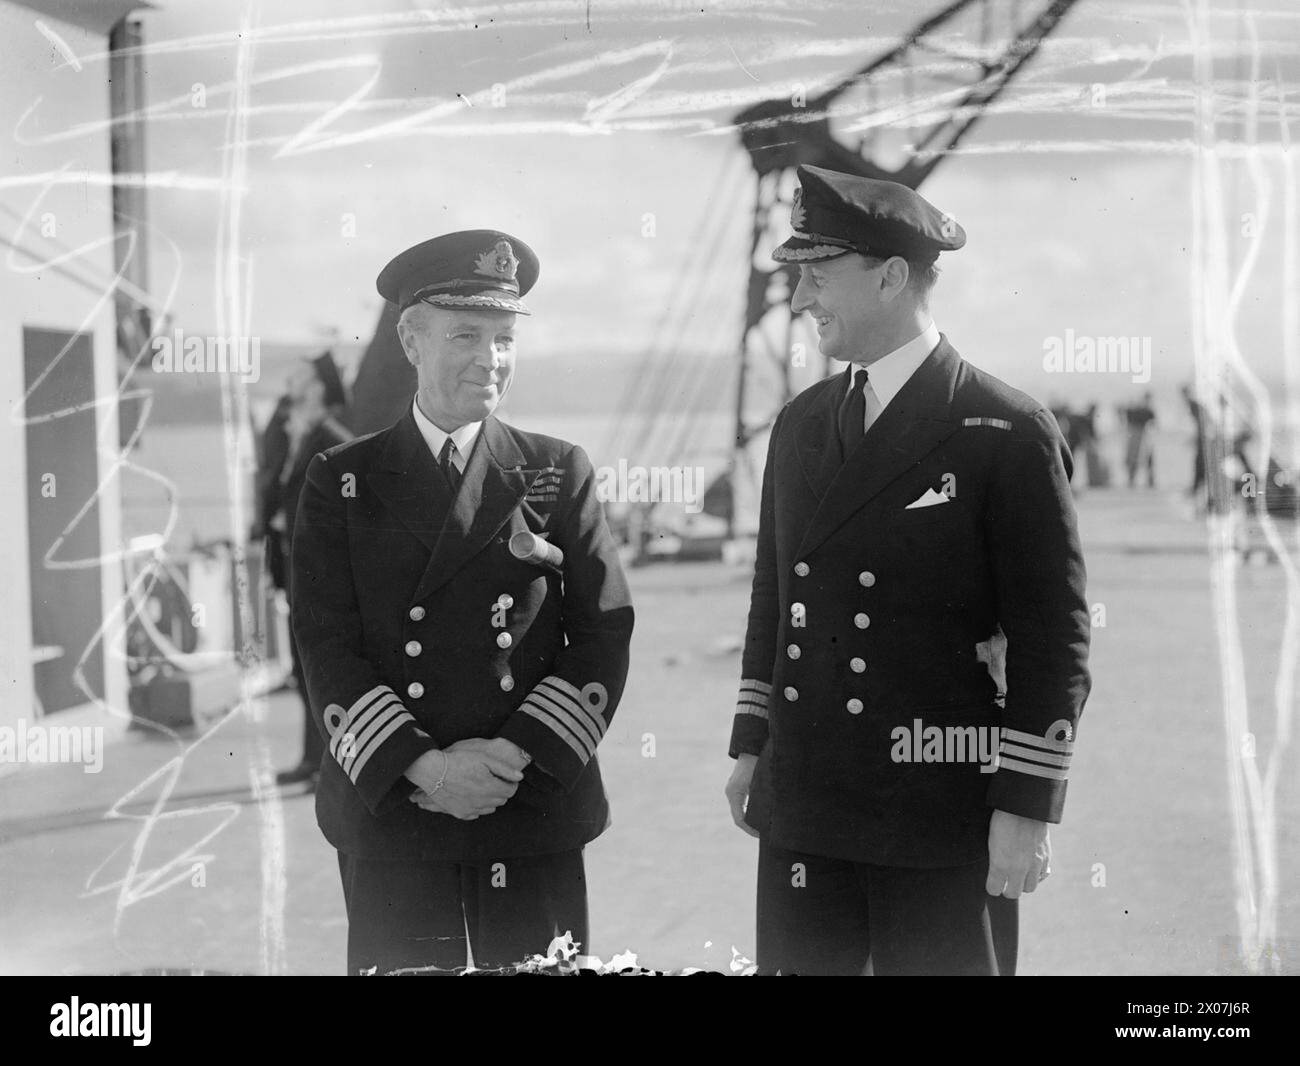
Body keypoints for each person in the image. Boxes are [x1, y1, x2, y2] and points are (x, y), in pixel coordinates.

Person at [723, 165, 1092, 975]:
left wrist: (1027, 806)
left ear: (892, 277)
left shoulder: (1005, 429)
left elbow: (1053, 637)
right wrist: (751, 745)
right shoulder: (800, 425)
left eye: (819, 275)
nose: (801, 297)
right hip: (805, 804)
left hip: (940, 809)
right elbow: (773, 599)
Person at [290, 229, 633, 974]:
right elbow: (323, 640)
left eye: (505, 337)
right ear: (412, 341)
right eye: (466, 335)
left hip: (527, 799)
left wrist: (510, 756)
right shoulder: (341, 478)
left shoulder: (555, 470)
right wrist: (426, 768)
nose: (491, 358)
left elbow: (603, 629)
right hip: (396, 806)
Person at [259, 351, 352, 788]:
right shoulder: (299, 433)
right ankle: (312, 761)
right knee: (303, 669)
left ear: (316, 388)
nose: (289, 380)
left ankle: (331, 766)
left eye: (300, 376)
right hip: (295, 569)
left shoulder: (332, 440)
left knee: (324, 670)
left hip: (319, 576)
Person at [1122, 392, 1157, 489]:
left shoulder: (1139, 410)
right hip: (1139, 436)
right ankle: (1135, 479)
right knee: (1138, 457)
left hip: (1138, 436)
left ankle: (1135, 479)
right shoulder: (1144, 410)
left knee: (1137, 457)